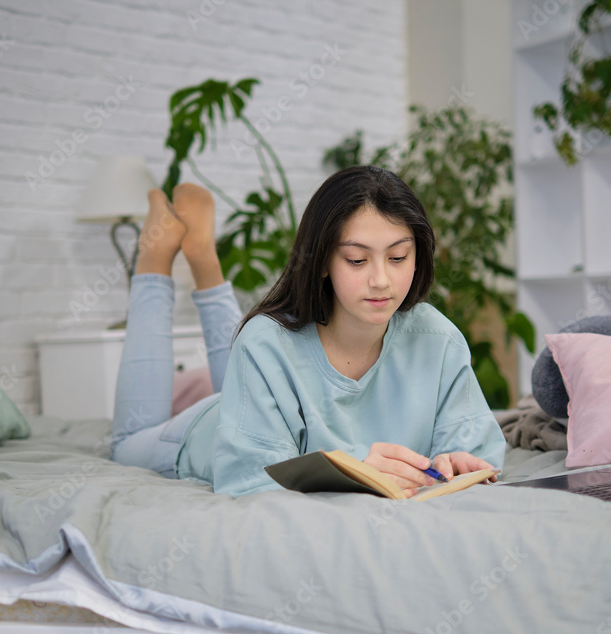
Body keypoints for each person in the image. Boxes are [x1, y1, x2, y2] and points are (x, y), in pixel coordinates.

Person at [111, 165, 506, 497]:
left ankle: (201, 254)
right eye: (356, 260)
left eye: (398, 257)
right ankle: (154, 258)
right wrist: (353, 471)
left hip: (258, 403)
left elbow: (471, 445)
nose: (382, 279)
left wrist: (455, 461)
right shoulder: (266, 342)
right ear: (321, 261)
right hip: (212, 430)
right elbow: (250, 479)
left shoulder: (437, 339)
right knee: (127, 443)